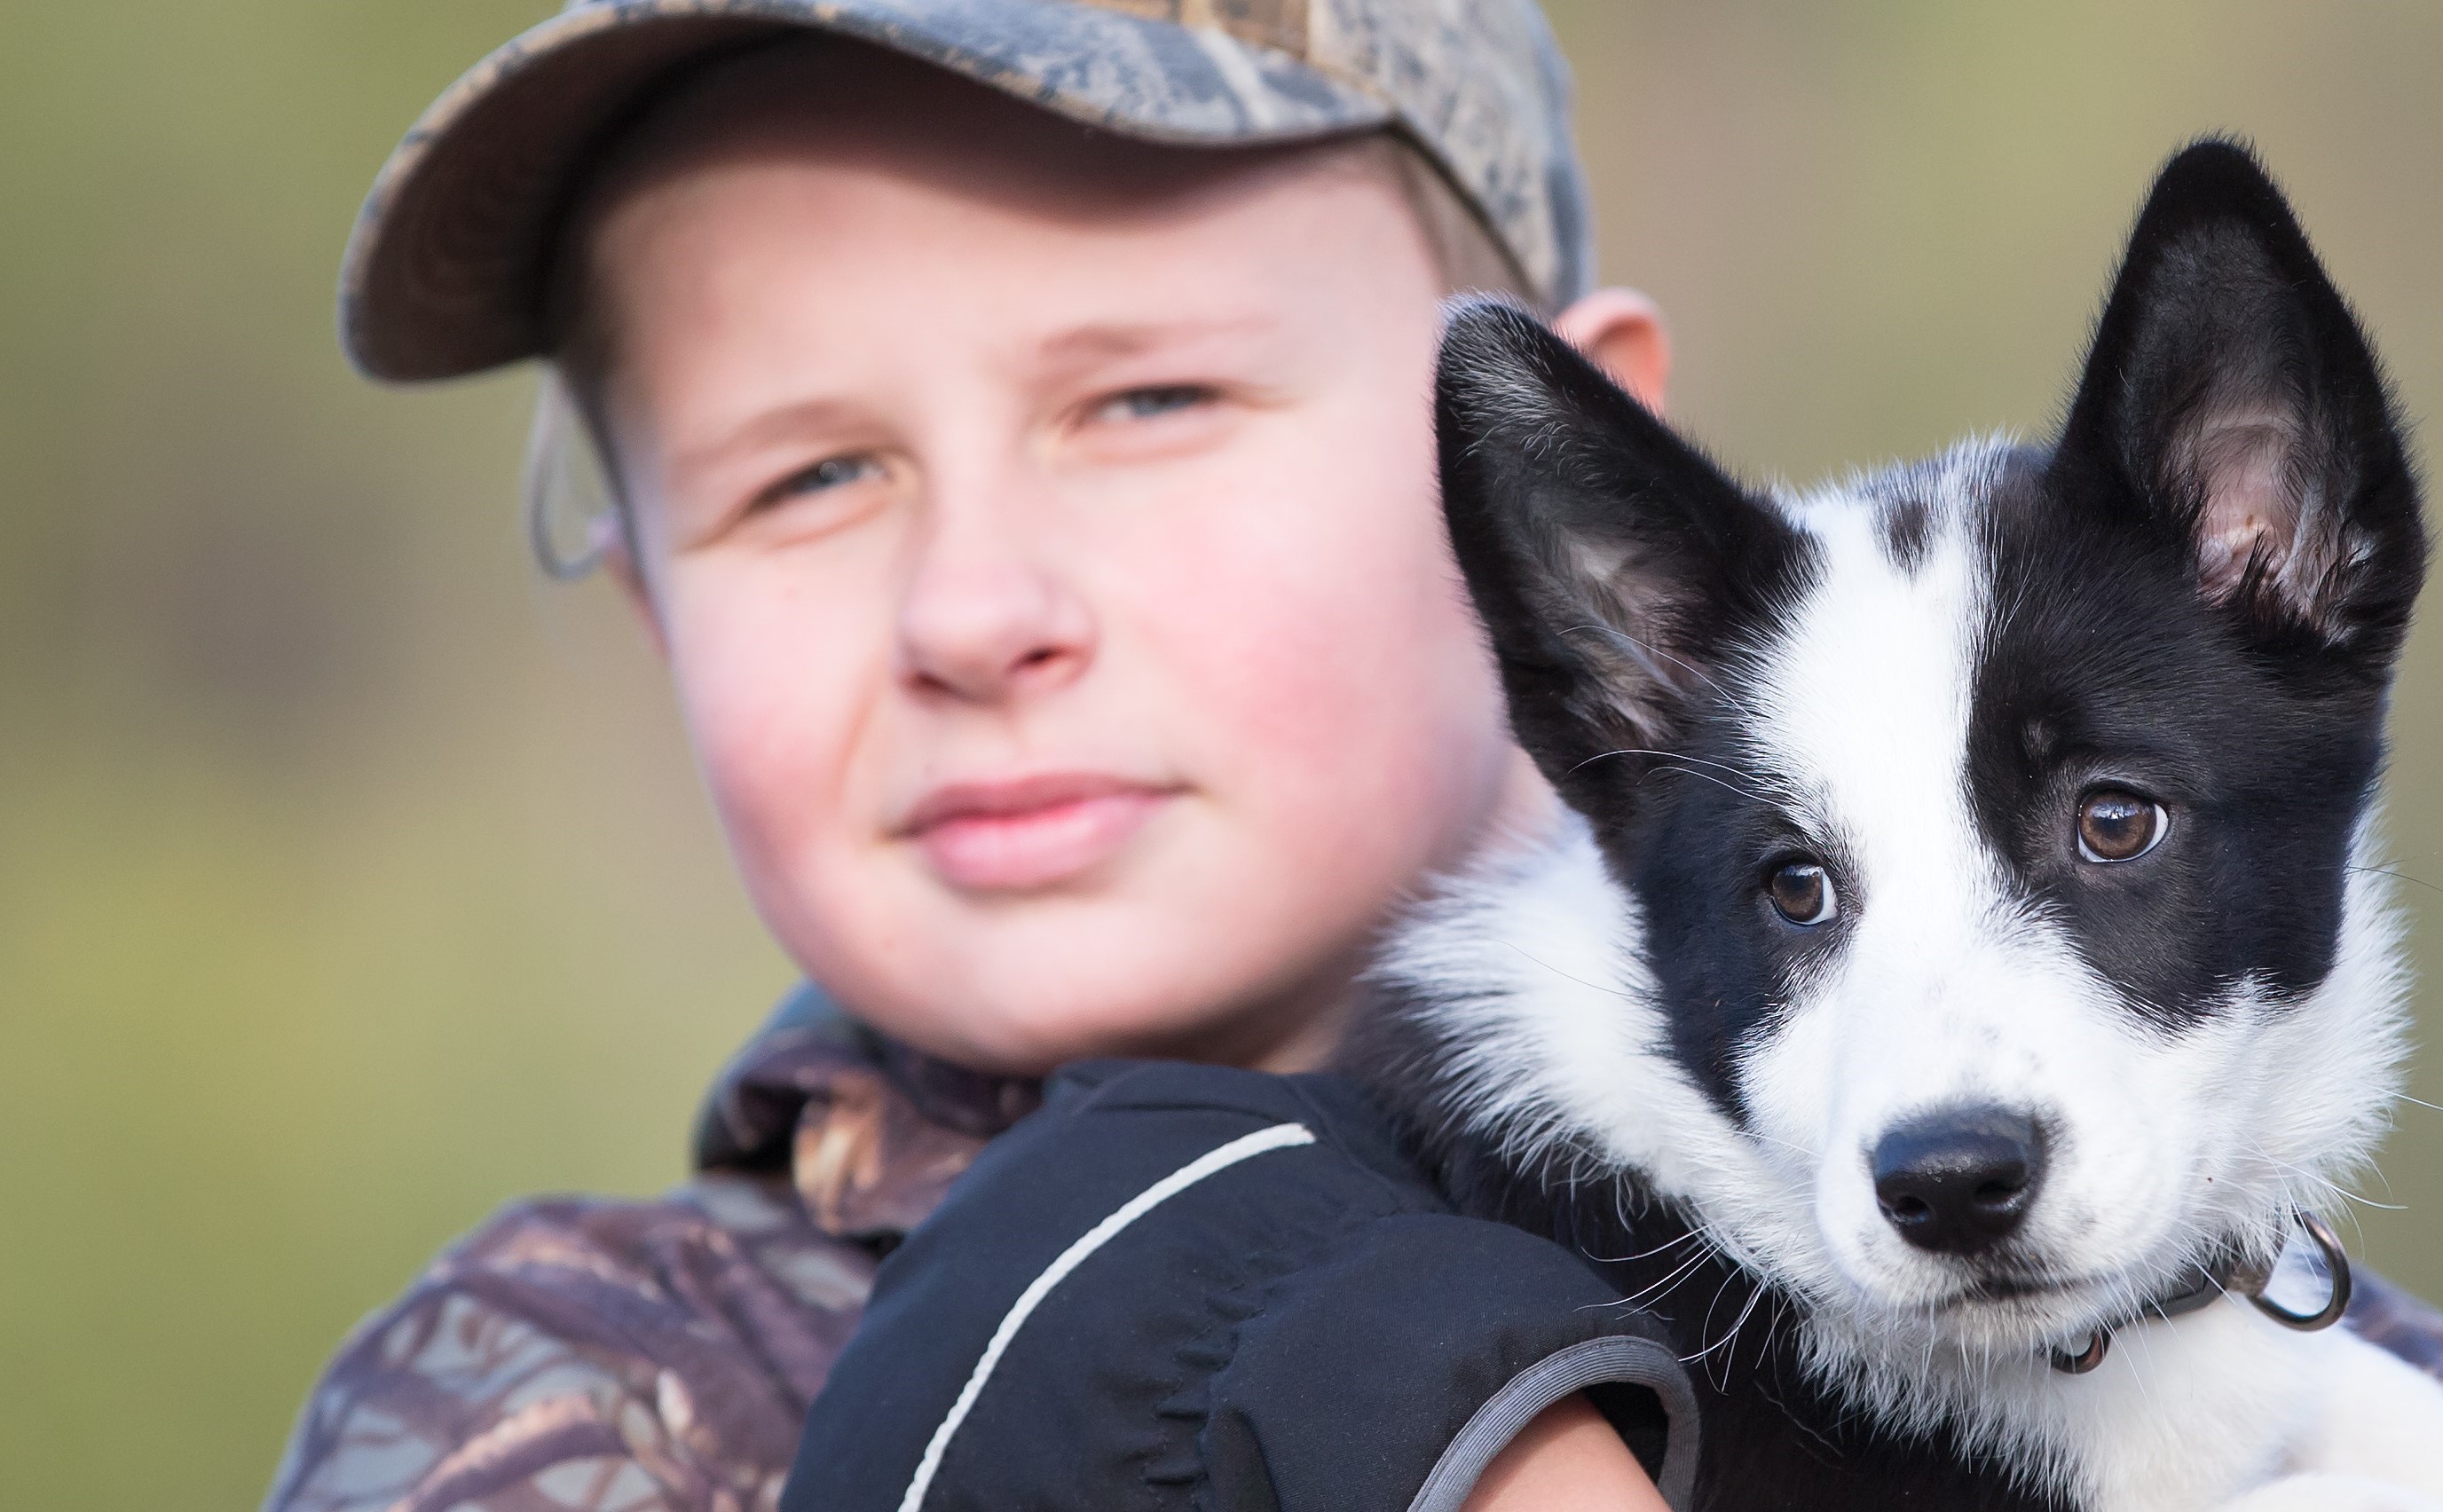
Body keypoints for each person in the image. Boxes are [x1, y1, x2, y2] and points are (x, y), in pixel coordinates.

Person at [266, 4, 2443, 1510]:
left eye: (1147, 405)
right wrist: (1255, 1347)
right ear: (646, 602)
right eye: (807, 477)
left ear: (1543, 517)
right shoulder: (584, 1392)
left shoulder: (2295, 1359)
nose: (972, 609)